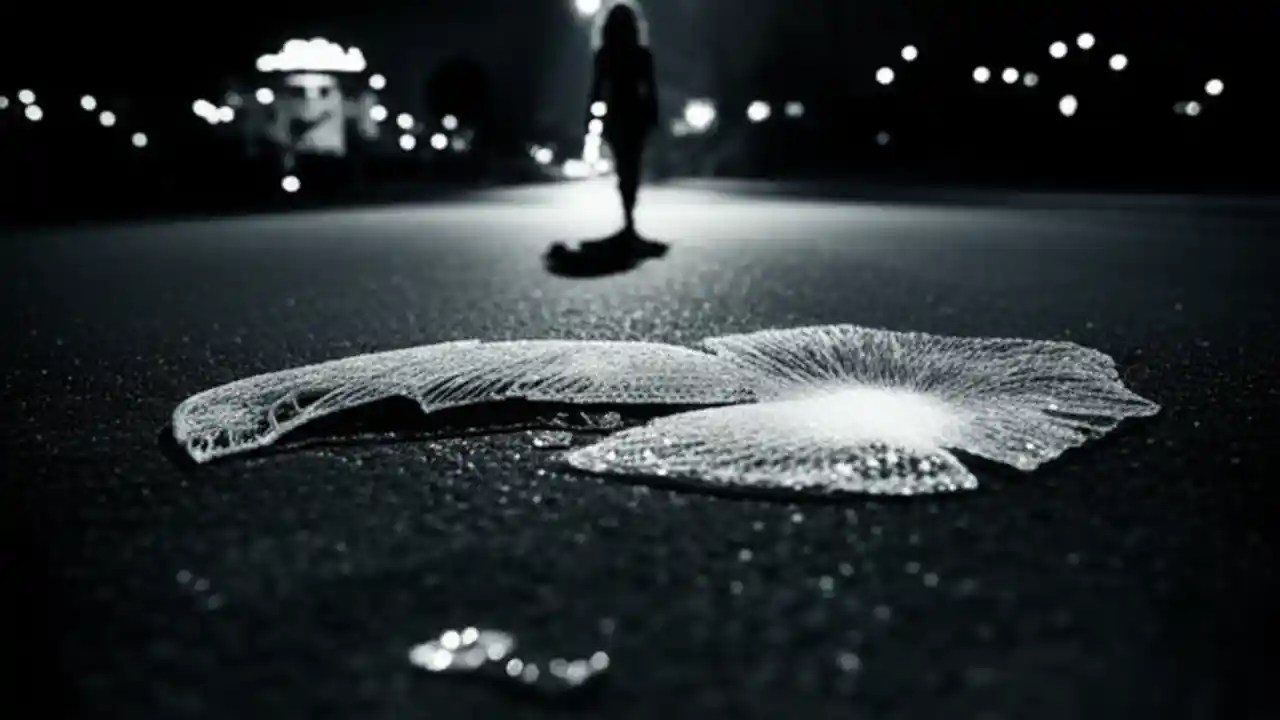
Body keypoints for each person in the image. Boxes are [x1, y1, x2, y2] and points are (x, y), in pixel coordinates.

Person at [589, 3, 658, 236]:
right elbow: (650, 90)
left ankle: (627, 213)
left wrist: (590, 118)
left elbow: (596, 90)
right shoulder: (642, 54)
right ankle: (630, 213)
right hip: (636, 114)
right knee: (633, 165)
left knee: (623, 165)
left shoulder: (604, 54)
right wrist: (653, 117)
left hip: (616, 113)